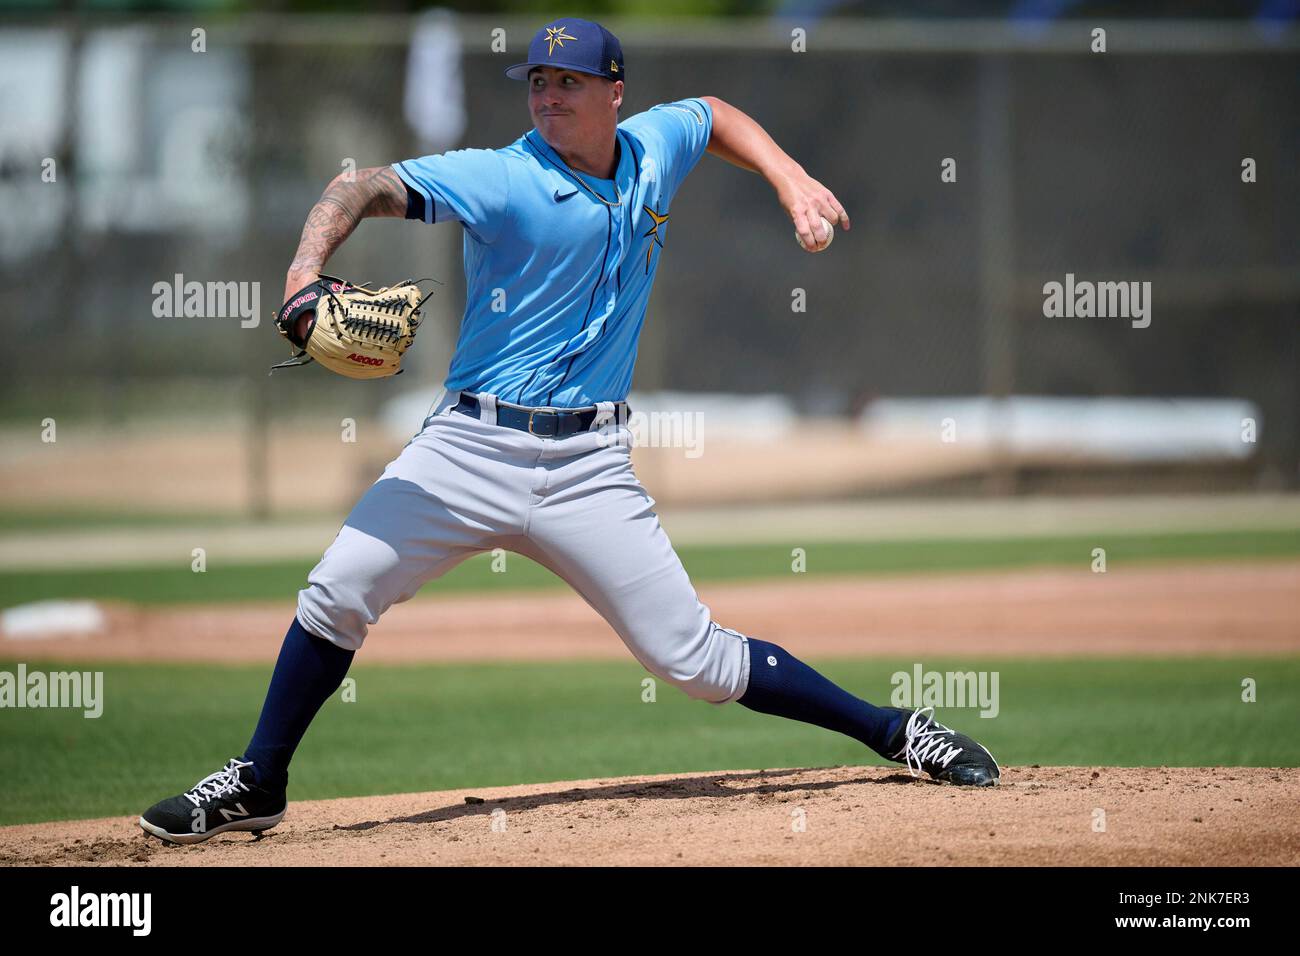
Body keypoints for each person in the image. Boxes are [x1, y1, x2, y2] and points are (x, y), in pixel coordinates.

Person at [140, 18, 998, 846]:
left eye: (569, 82)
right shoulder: (500, 177)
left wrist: (788, 176)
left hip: (589, 463)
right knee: (338, 588)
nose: (548, 97)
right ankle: (259, 780)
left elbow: (714, 113)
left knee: (693, 661)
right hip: (469, 448)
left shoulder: (653, 148)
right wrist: (303, 272)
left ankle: (897, 731)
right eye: (538, 82)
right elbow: (358, 186)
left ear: (614, 93)